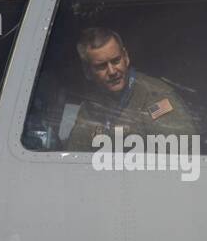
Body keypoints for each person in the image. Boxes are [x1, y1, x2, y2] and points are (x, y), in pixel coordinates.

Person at [65, 27, 196, 151]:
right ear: (87, 71)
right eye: (101, 66)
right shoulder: (91, 106)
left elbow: (182, 159)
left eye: (116, 61)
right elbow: (75, 154)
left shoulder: (157, 96)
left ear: (126, 57)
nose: (112, 71)